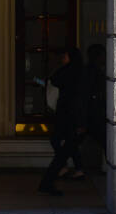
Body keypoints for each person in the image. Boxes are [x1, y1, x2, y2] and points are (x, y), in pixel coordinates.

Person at [38, 46, 89, 196]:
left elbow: (56, 79)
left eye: (65, 56)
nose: (63, 58)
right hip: (70, 118)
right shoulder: (77, 72)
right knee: (65, 150)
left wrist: (81, 122)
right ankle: (49, 181)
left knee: (63, 151)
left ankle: (48, 182)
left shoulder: (71, 72)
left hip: (69, 118)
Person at [84, 43, 109, 171]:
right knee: (105, 141)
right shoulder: (96, 73)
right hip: (94, 112)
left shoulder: (89, 71)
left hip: (90, 112)